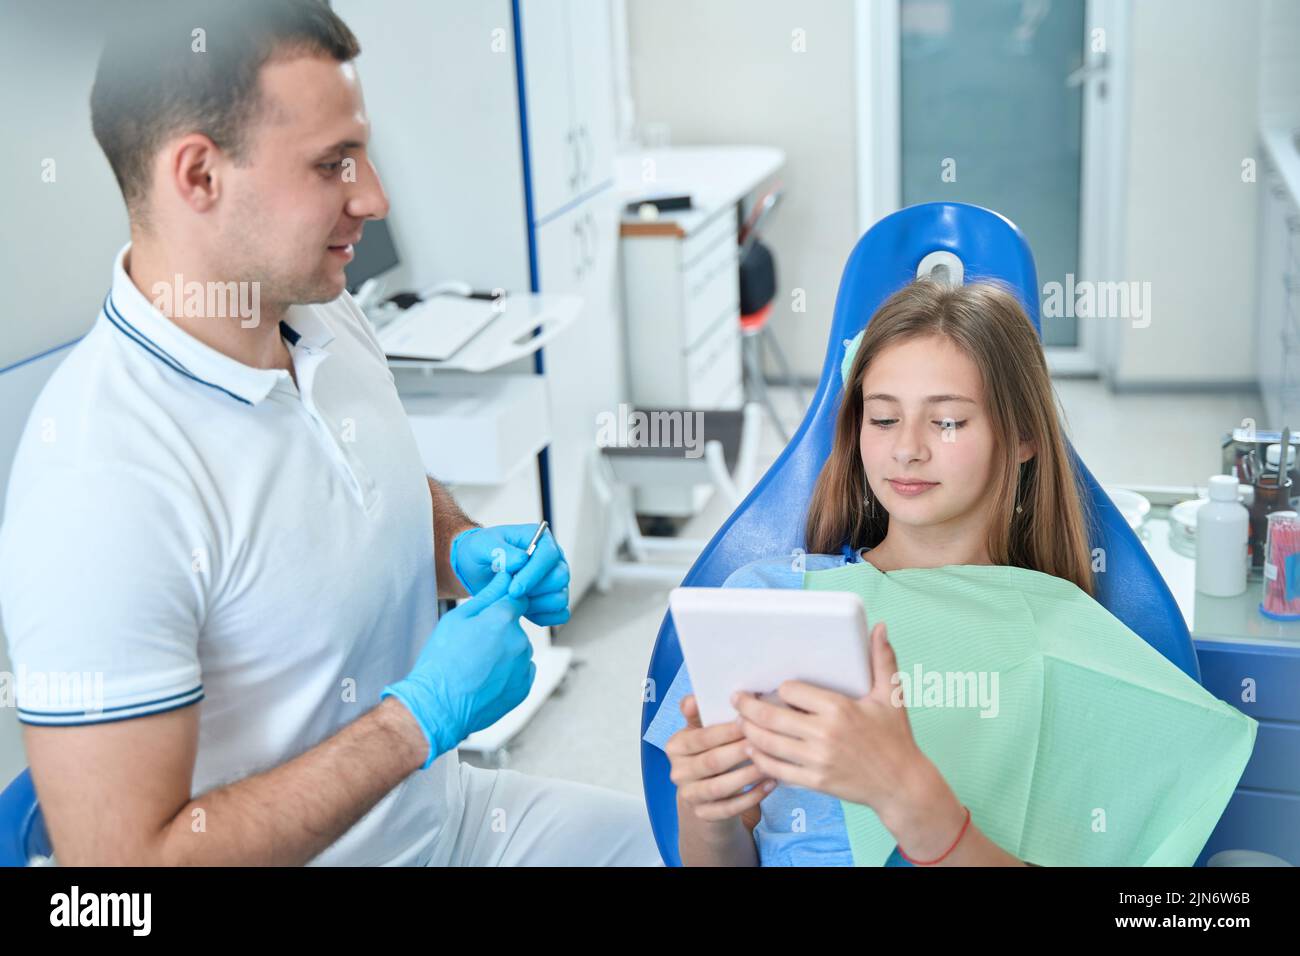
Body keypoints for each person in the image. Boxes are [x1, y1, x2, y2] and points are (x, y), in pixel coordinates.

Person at [0, 0, 659, 867]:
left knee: (708, 847)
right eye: (332, 164)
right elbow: (124, 881)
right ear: (198, 177)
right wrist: (413, 723)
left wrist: (457, 547)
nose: (375, 197)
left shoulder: (322, 313)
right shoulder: (101, 477)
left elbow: (358, 486)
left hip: (450, 824)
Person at [644, 276, 1256, 866]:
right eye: (883, 418)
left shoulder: (1065, 644)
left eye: (947, 421)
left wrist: (909, 796)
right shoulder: (770, 600)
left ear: (1020, 435)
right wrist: (710, 812)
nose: (907, 448)